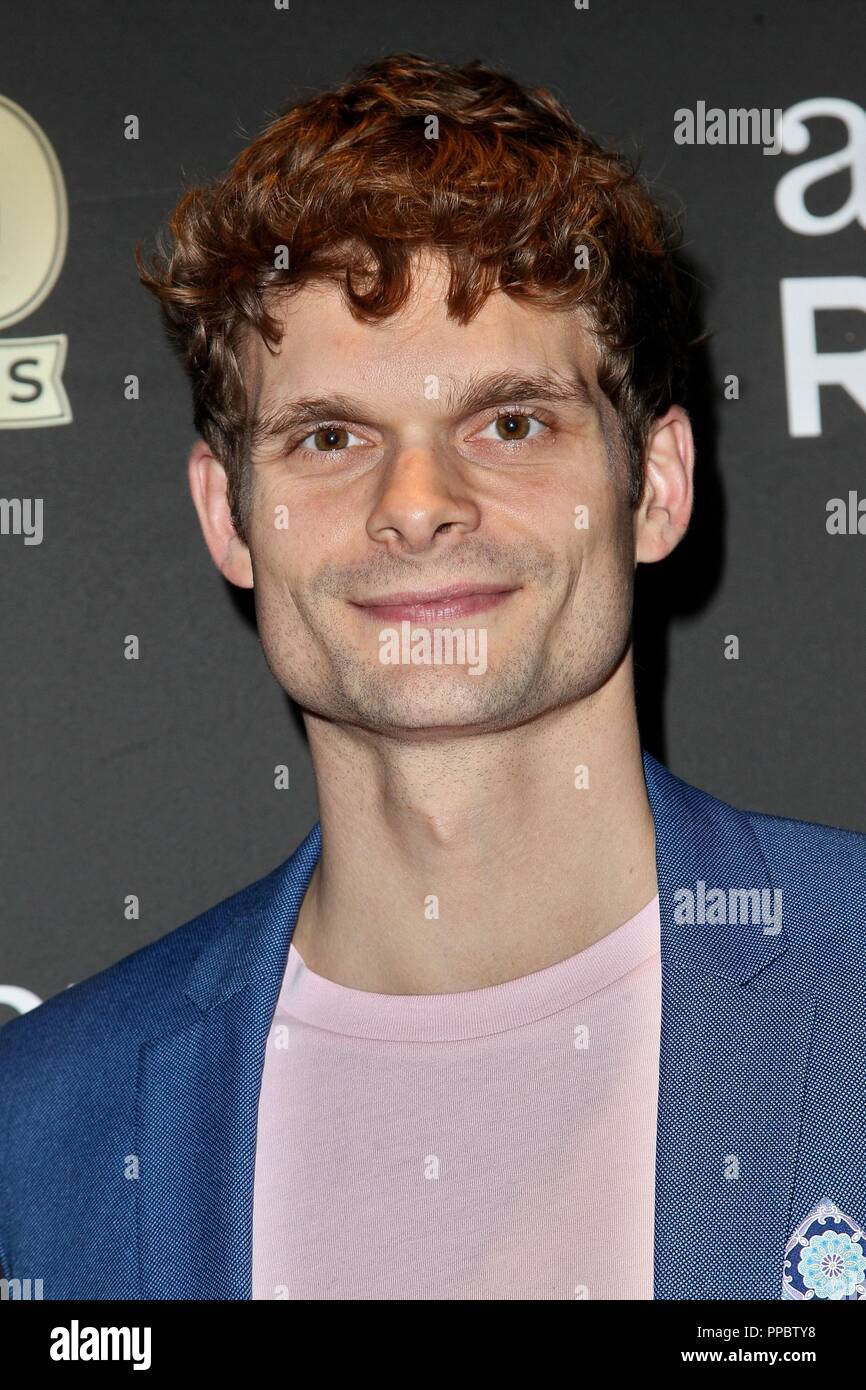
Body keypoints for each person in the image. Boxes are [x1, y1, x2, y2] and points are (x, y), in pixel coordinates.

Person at [1, 52, 864, 1303]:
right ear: (227, 518)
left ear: (656, 484)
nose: (417, 506)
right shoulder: (43, 1132)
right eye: (331, 436)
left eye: (507, 422)